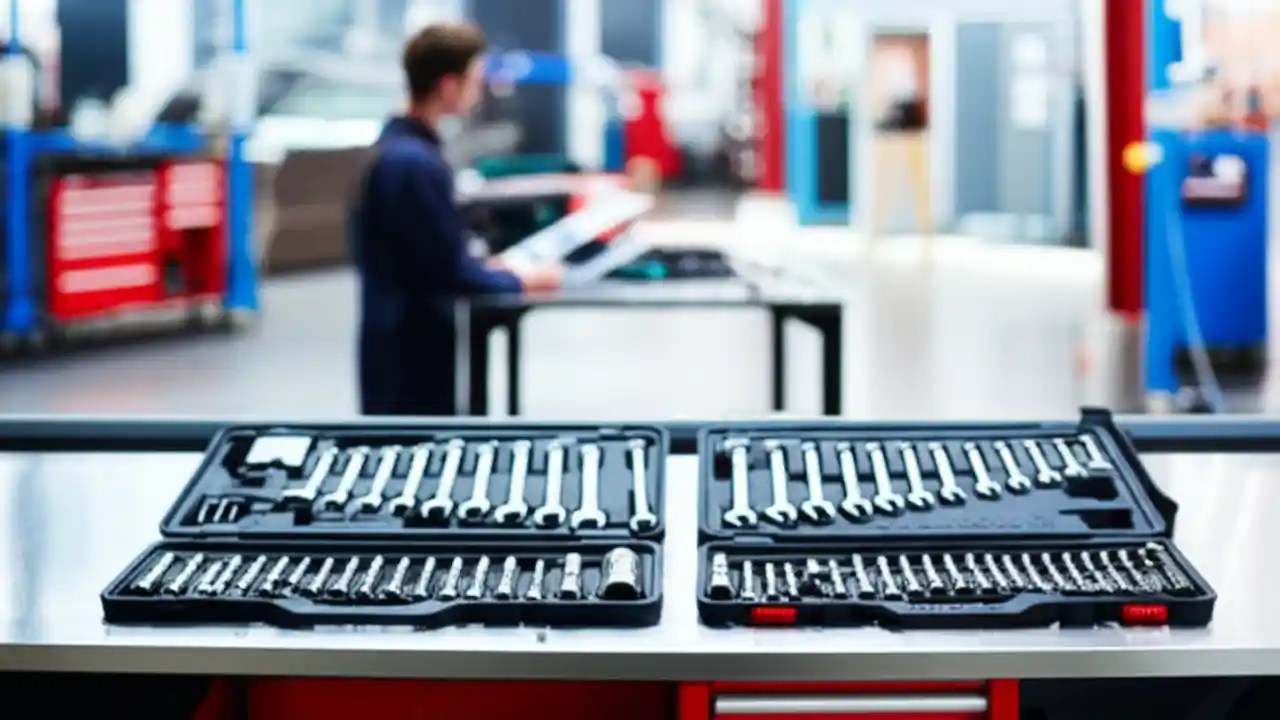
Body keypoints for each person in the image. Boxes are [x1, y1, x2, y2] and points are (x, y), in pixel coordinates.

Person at [352, 22, 562, 416]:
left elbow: (430, 252)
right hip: (410, 352)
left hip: (398, 339)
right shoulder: (414, 164)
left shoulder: (398, 152)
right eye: (475, 80)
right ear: (450, 85)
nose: (478, 91)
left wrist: (482, 266)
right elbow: (447, 271)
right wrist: (520, 279)